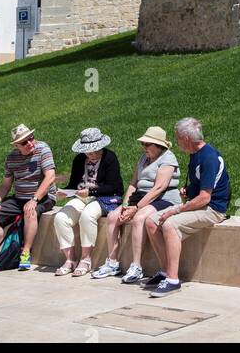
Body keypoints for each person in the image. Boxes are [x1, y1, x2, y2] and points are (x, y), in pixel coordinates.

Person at [144, 117, 230, 296]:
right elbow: (199, 186)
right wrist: (188, 190)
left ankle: (173, 280)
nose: (176, 142)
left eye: (177, 138)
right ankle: (165, 271)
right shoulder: (195, 155)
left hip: (213, 210)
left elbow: (205, 198)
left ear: (186, 139)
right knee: (151, 221)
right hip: (200, 205)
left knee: (169, 224)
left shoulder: (209, 158)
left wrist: (176, 210)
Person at [92, 126, 181, 283]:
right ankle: (112, 263)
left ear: (159, 145)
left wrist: (136, 208)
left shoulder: (168, 158)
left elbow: (159, 187)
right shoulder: (143, 158)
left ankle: (137, 266)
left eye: (147, 144)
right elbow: (134, 183)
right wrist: (126, 204)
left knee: (139, 218)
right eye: (143, 144)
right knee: (113, 216)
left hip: (164, 198)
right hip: (140, 197)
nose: (144, 147)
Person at [0, 123, 56, 272]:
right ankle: (1, 254)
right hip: (19, 198)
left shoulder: (43, 149)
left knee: (30, 211)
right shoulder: (11, 158)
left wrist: (34, 199)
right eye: (24, 142)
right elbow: (5, 185)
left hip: (44, 197)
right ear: (16, 145)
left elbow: (50, 177)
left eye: (31, 138)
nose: (30, 143)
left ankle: (25, 253)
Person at [53, 127, 123, 276]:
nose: (90, 154)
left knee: (87, 215)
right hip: (82, 196)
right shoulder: (79, 159)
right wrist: (64, 192)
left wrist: (91, 191)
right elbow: (73, 184)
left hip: (103, 196)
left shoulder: (110, 158)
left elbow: (114, 186)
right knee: (61, 217)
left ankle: (86, 259)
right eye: (87, 151)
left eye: (93, 151)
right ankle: (70, 259)